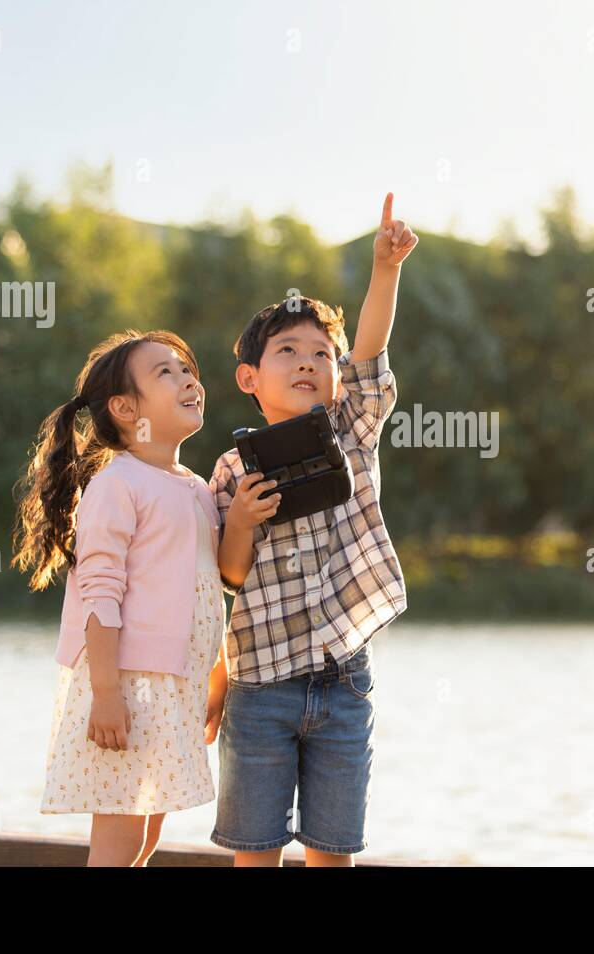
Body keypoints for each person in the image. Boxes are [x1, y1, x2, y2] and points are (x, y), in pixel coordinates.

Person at [203, 193, 417, 867]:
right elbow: (227, 577)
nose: (306, 363)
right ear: (249, 377)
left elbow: (371, 351)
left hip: (344, 679)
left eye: (320, 355)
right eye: (287, 351)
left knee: (334, 851)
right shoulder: (232, 467)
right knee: (254, 849)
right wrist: (240, 518)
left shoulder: (352, 433)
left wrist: (384, 269)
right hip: (259, 682)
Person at [13, 329, 225, 866]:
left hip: (176, 684)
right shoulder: (119, 483)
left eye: (185, 369)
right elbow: (98, 594)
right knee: (119, 836)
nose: (187, 379)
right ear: (126, 407)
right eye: (165, 373)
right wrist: (106, 693)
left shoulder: (196, 487)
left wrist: (214, 682)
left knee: (147, 834)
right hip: (129, 685)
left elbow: (210, 588)